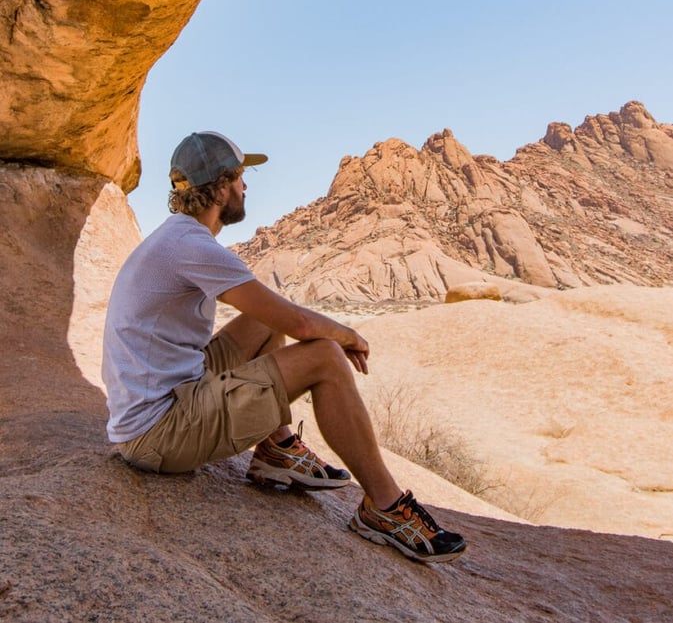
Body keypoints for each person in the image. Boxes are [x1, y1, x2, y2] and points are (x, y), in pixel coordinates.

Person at [102, 130, 467, 564]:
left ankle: (276, 447)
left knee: (263, 318)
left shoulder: (176, 237)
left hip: (170, 398)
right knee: (326, 357)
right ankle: (384, 508)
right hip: (158, 433)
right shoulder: (191, 245)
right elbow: (298, 323)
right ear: (220, 188)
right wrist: (349, 336)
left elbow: (277, 316)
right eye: (239, 178)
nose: (245, 187)